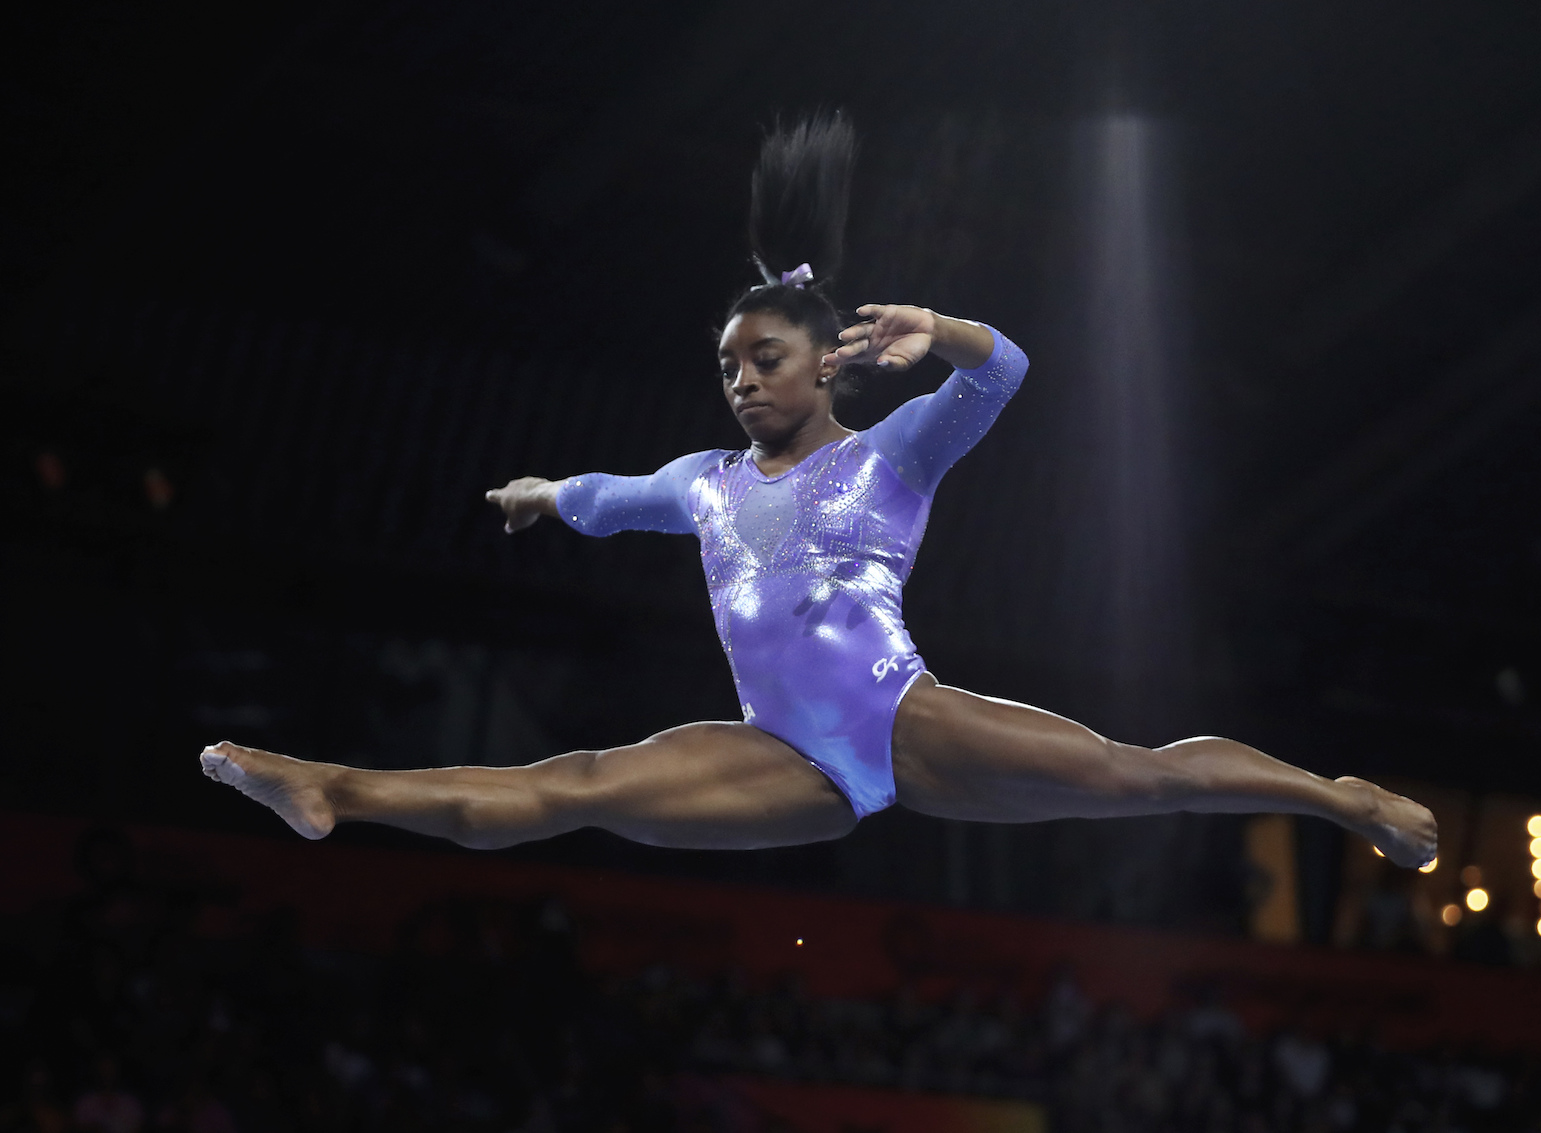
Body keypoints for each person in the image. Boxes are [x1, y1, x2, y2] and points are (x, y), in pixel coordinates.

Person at [200, 115, 1436, 870]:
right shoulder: (704, 480)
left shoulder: (887, 454)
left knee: (1137, 774)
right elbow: (612, 494)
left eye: (764, 358)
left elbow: (1003, 372)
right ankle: (333, 787)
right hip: (782, 755)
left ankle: (1337, 799)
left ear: (824, 356)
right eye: (727, 364)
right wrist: (543, 491)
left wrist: (932, 324)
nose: (740, 381)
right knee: (570, 792)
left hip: (901, 715)